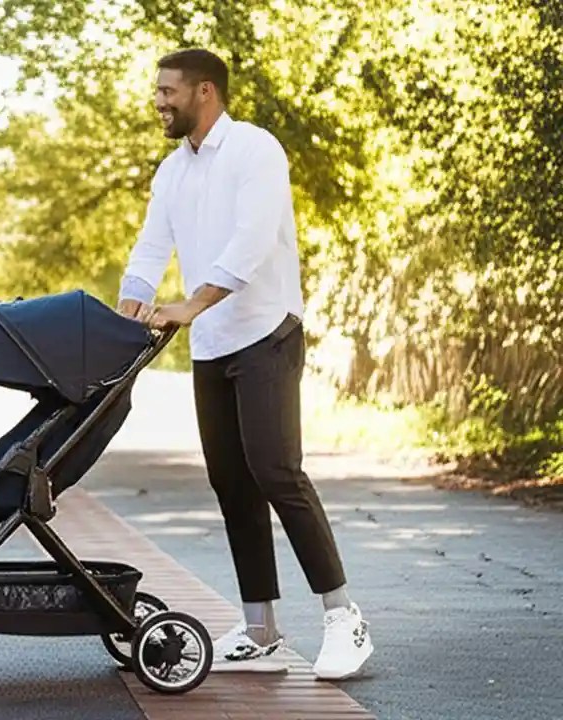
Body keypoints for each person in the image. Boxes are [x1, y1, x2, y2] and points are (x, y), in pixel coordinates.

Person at [117, 48, 373, 680]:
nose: (159, 102)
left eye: (168, 91)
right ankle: (260, 630)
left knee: (277, 472)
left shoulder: (256, 150)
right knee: (232, 483)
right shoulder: (172, 172)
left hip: (265, 331)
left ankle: (346, 621)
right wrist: (133, 299)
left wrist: (189, 304)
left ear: (205, 92)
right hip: (212, 345)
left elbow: (252, 244)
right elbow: (152, 246)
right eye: (158, 91)